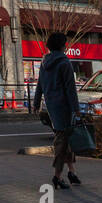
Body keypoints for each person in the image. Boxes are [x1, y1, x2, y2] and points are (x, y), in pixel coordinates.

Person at [32, 32, 82, 191]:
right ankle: (57, 176)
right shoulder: (64, 63)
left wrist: (35, 103)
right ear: (62, 45)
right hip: (65, 107)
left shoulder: (45, 62)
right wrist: (76, 109)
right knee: (62, 141)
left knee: (64, 138)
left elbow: (40, 84)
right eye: (65, 43)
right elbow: (70, 89)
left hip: (52, 107)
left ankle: (72, 172)